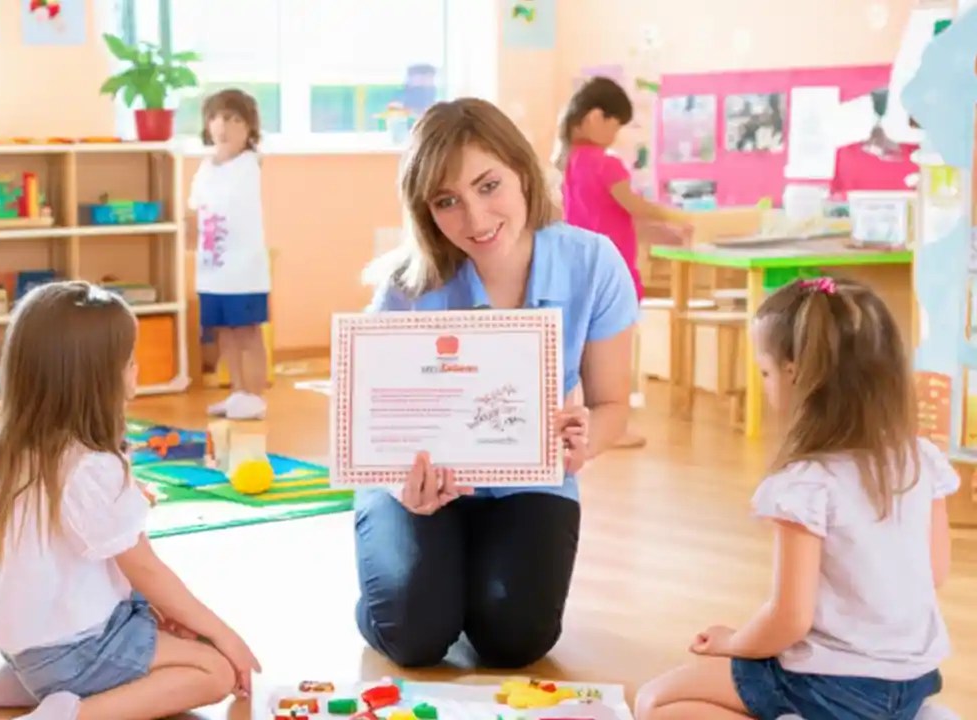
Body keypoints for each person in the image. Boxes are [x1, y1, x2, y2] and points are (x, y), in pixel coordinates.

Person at [355, 97, 636, 669]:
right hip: (420, 489)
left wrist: (586, 440)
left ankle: (464, 577)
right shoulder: (406, 285)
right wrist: (396, 482)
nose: (475, 220)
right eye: (447, 201)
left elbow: (610, 406)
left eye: (489, 186)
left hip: (530, 483)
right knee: (412, 635)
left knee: (516, 641)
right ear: (425, 209)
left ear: (522, 171)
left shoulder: (593, 264)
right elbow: (373, 429)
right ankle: (421, 584)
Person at [635, 277, 955, 720]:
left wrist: (733, 642)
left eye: (764, 372)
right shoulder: (922, 461)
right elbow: (934, 571)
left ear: (795, 375)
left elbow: (790, 618)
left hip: (830, 687)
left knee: (657, 702)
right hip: (913, 683)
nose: (765, 387)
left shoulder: (806, 486)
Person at [0, 281, 260, 720]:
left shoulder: (23, 449)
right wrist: (225, 635)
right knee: (214, 671)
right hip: (73, 649)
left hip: (25, 644)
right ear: (97, 381)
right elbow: (146, 570)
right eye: (129, 362)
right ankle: (69, 712)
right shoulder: (93, 468)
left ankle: (26, 685)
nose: (135, 370)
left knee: (172, 633)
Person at [555, 77, 692, 450]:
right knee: (615, 357)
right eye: (616, 125)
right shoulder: (604, 164)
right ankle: (614, 425)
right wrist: (674, 216)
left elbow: (618, 220)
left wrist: (664, 233)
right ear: (598, 117)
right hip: (612, 273)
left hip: (579, 271)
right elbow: (634, 207)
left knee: (584, 358)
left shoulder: (569, 162)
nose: (615, 135)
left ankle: (586, 423)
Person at [190, 88, 271, 420]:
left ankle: (254, 394)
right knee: (224, 331)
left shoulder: (249, 163)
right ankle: (237, 392)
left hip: (243, 270)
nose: (224, 126)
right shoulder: (206, 167)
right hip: (212, 269)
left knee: (247, 331)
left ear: (249, 128)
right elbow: (195, 208)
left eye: (234, 119)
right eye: (218, 118)